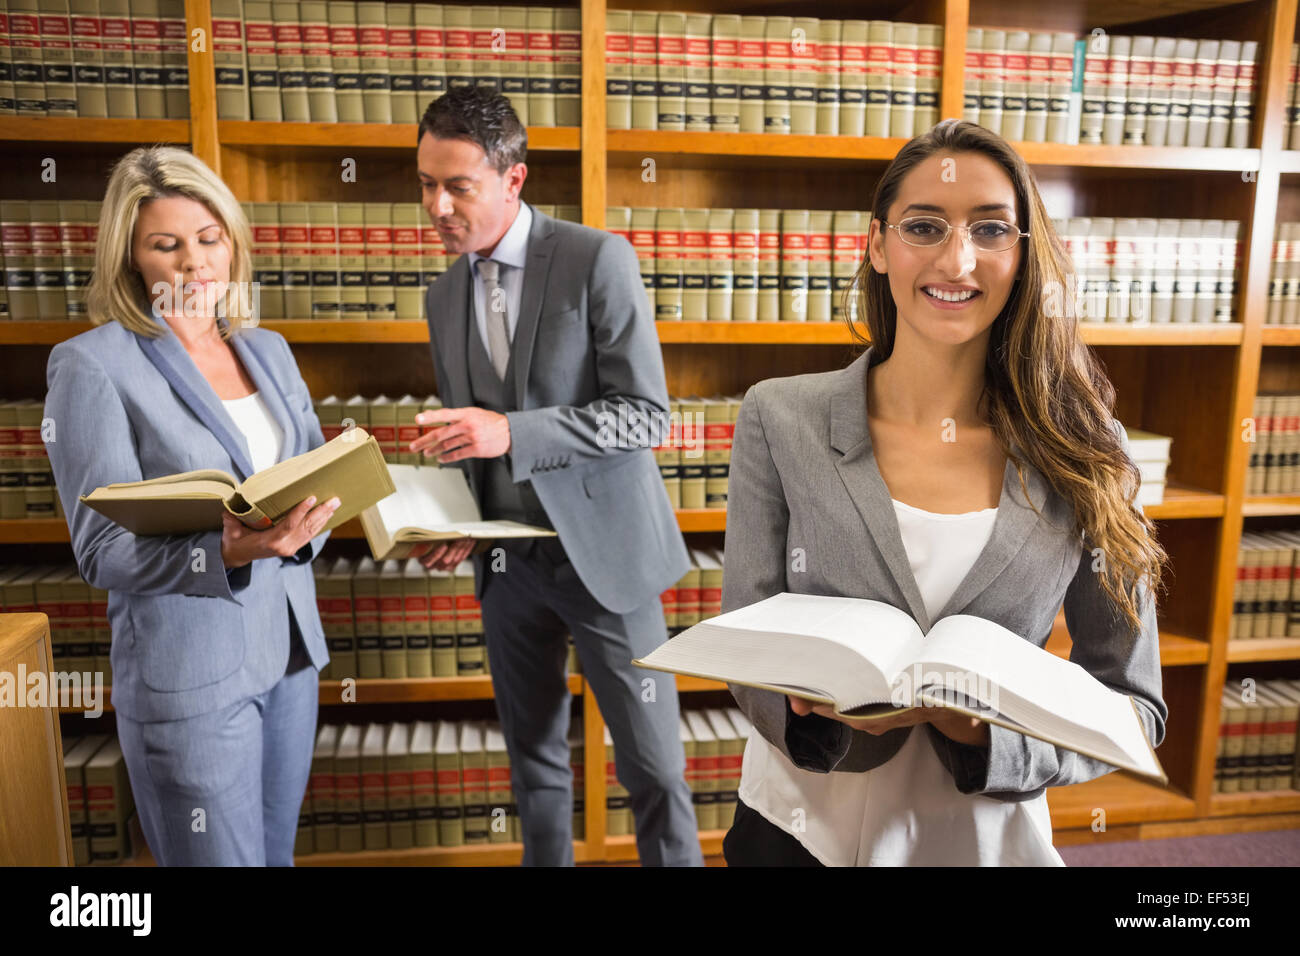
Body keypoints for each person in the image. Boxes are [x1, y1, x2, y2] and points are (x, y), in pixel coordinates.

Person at [720, 119, 1170, 866]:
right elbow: (747, 641)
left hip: (981, 841)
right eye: (924, 226)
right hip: (795, 828)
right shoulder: (778, 415)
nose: (956, 259)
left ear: (1023, 256)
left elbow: (1133, 708)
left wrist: (988, 735)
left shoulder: (1090, 451)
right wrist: (819, 718)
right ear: (877, 244)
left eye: (991, 229)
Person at [408, 86, 703, 866]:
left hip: (608, 561)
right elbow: (467, 442)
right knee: (534, 768)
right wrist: (453, 530)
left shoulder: (596, 258)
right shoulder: (441, 298)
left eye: (457, 186)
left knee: (654, 772)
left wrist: (511, 430)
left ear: (514, 178)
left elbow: (645, 416)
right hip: (508, 570)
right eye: (426, 185)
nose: (437, 206)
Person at [43, 146, 339, 866]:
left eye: (209, 240)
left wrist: (308, 523)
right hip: (192, 680)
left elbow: (313, 479)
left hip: (291, 658)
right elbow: (101, 552)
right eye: (165, 245)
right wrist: (229, 549)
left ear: (232, 243)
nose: (195, 265)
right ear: (132, 260)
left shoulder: (268, 349)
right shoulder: (92, 365)